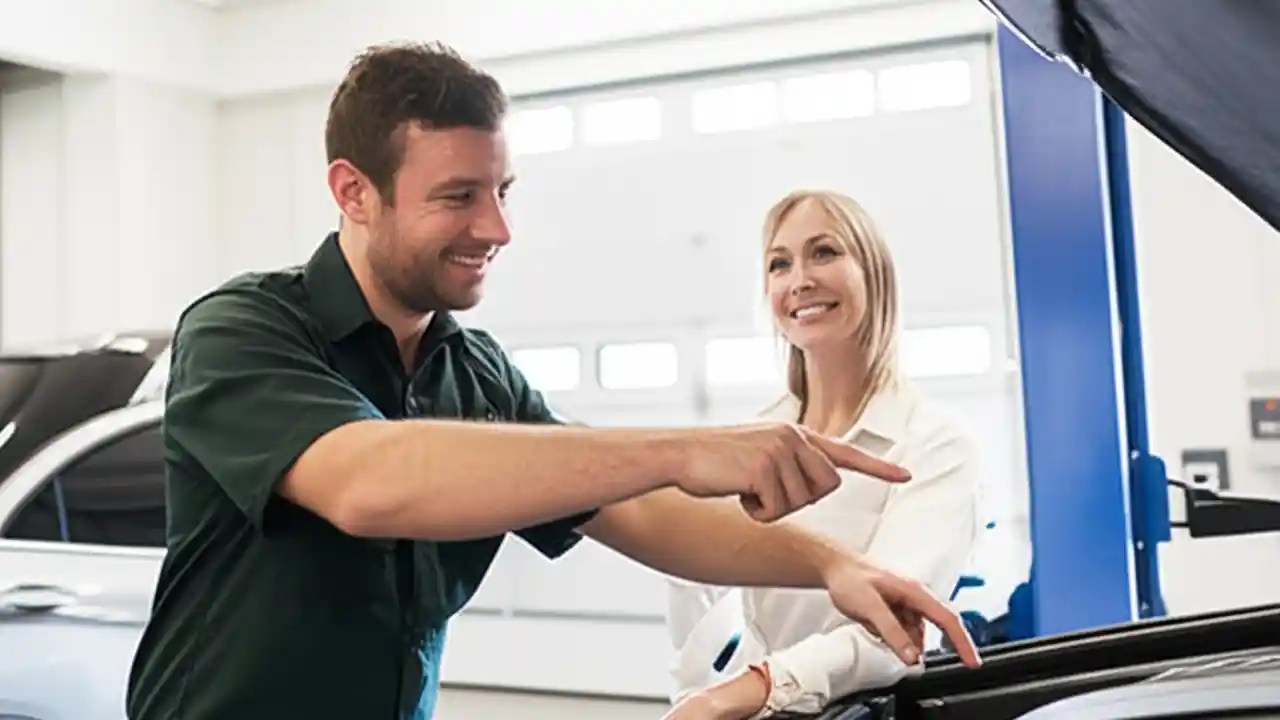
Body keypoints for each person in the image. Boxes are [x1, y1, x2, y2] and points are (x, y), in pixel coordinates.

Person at [124, 43, 980, 720]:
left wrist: (830, 565)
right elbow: (371, 482)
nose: (496, 227)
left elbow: (635, 508)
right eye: (459, 196)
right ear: (354, 192)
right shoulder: (245, 330)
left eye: (503, 190)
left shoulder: (478, 374)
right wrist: (685, 447)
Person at [664, 190, 983, 719]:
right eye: (779, 263)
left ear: (874, 273)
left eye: (825, 252)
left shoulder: (935, 444)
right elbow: (691, 595)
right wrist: (695, 693)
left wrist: (742, 692)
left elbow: (893, 634)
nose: (800, 280)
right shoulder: (754, 437)